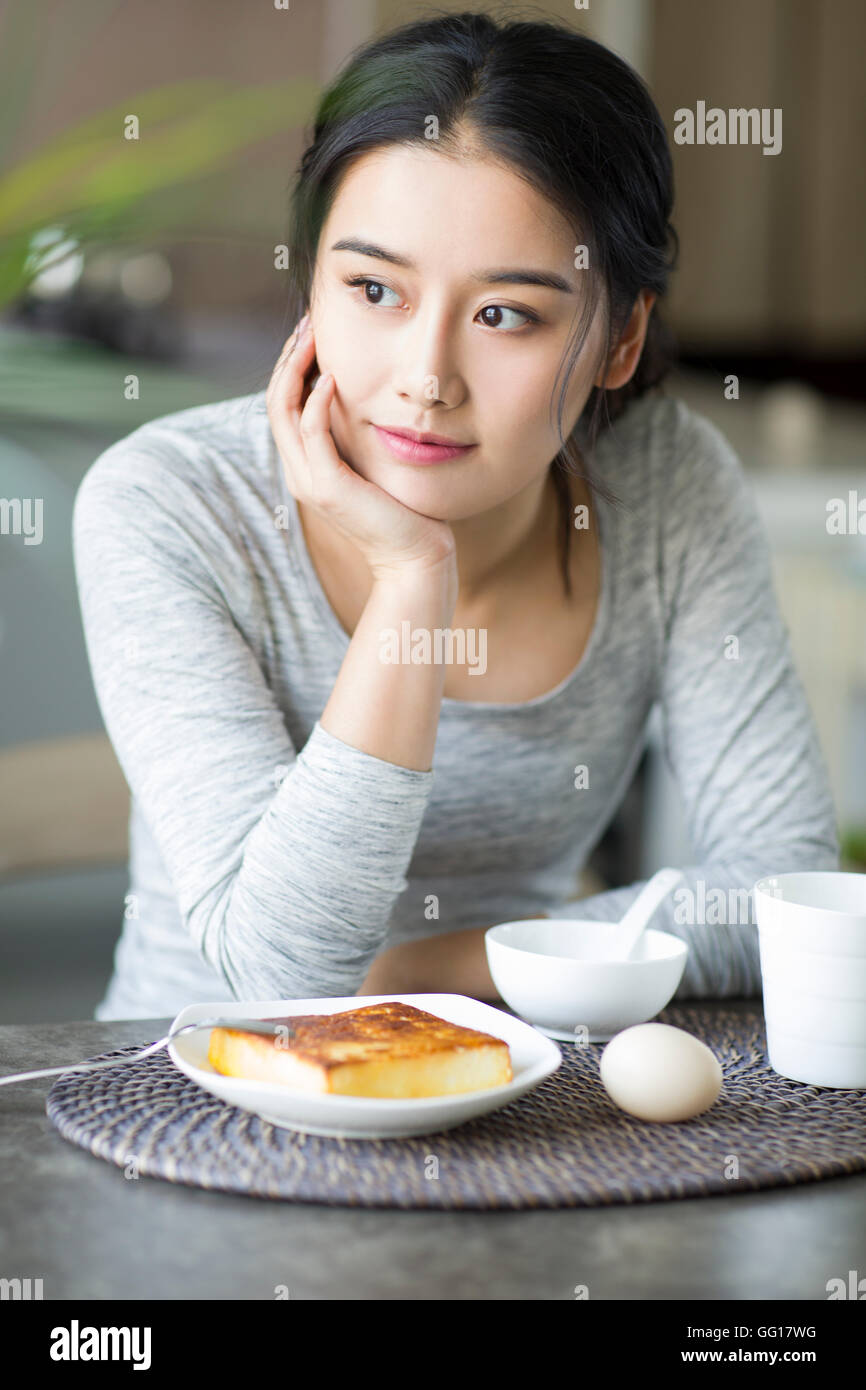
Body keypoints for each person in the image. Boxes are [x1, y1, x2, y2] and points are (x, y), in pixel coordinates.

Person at [72, 11, 838, 1021]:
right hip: (194, 1087)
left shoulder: (663, 482)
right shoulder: (171, 500)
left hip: (522, 1083)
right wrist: (412, 578)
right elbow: (282, 977)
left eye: (502, 314)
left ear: (620, 340)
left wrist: (430, 969)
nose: (426, 378)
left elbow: (787, 893)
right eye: (373, 288)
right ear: (311, 286)